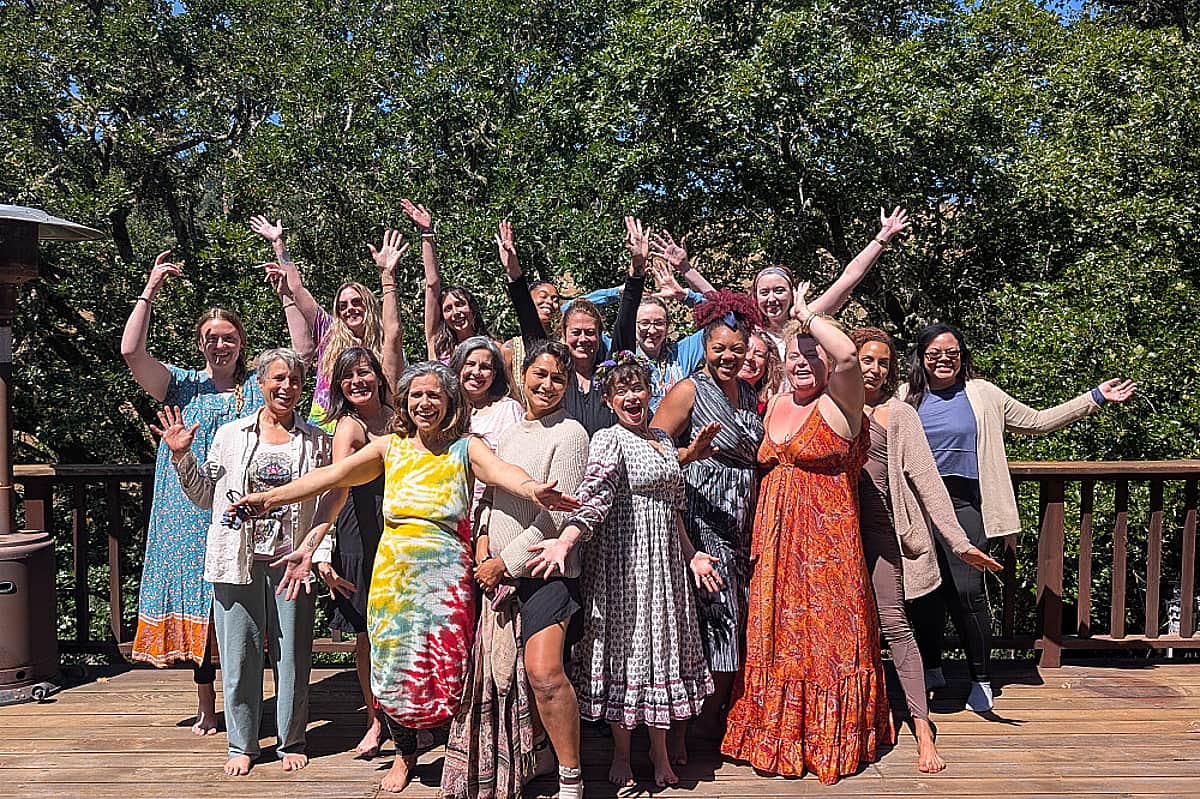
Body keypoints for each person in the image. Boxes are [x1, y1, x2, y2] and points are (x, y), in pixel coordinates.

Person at [229, 360, 579, 793]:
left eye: (434, 395)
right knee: (394, 669)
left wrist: (532, 490)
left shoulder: (466, 448)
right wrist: (270, 497)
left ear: (449, 401)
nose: (425, 403)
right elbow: (331, 476)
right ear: (405, 401)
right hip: (393, 579)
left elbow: (505, 474)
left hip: (448, 583)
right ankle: (404, 755)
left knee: (449, 670)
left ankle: (456, 753)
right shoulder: (389, 448)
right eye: (417, 395)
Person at [900, 322, 1136, 712]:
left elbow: (1038, 422)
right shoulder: (905, 397)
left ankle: (981, 676)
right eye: (935, 354)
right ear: (921, 358)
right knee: (924, 592)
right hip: (916, 507)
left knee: (967, 591)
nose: (944, 359)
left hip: (964, 505)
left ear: (962, 357)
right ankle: (932, 666)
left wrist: (1094, 397)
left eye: (952, 353)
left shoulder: (983, 394)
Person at [721, 286, 893, 785]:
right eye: (794, 355)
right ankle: (774, 735)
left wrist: (808, 315)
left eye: (810, 357)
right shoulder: (774, 402)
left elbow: (843, 353)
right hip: (775, 545)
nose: (802, 363)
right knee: (776, 639)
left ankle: (829, 738)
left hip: (828, 549)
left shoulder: (841, 402)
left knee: (829, 642)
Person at [529, 353, 723, 789]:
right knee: (627, 651)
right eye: (622, 391)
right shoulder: (608, 440)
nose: (632, 396)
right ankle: (621, 753)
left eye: (638, 388)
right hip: (622, 566)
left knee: (659, 652)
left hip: (665, 565)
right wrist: (566, 538)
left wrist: (691, 554)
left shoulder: (659, 437)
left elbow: (672, 507)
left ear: (649, 392)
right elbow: (594, 498)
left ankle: (657, 754)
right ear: (610, 399)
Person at [153, 348, 331, 776]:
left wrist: (317, 556)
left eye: (294, 380)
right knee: (239, 656)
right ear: (261, 383)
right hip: (237, 560)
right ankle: (242, 743)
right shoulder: (232, 435)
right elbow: (204, 496)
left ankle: (292, 739)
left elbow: (327, 505)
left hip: (292, 562)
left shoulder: (316, 440)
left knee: (293, 656)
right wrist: (181, 457)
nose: (286, 387)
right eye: (278, 379)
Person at [122, 250, 263, 736]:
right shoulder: (179, 385)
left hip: (239, 510)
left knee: (240, 608)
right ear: (200, 344)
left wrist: (285, 281)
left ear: (241, 342)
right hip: (183, 513)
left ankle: (246, 703)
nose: (219, 345)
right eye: (210, 339)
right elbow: (131, 353)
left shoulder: (257, 388)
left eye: (228, 338)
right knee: (201, 607)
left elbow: (304, 354)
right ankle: (207, 706)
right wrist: (150, 289)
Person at [442, 340, 590, 799]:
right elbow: (490, 497)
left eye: (558, 378)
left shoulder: (570, 434)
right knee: (510, 679)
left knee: (545, 673)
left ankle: (572, 777)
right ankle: (537, 754)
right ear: (524, 375)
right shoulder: (508, 432)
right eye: (539, 375)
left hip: (547, 572)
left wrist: (506, 562)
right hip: (498, 571)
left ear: (567, 385)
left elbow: (558, 516)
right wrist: (484, 546)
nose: (547, 385)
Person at [851, 327, 1002, 772]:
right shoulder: (831, 406)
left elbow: (928, 482)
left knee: (896, 625)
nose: (874, 369)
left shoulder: (899, 414)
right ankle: (857, 719)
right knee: (848, 632)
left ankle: (922, 730)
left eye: (882, 361)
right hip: (835, 534)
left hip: (883, 535)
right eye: (865, 360)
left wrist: (958, 542)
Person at [651, 290, 764, 739]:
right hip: (699, 516)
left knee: (736, 617)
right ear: (704, 345)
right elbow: (652, 450)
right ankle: (689, 730)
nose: (728, 357)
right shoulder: (690, 389)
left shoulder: (750, 391)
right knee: (715, 618)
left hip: (744, 518)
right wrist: (691, 452)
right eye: (719, 348)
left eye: (736, 349)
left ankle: (719, 722)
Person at [297, 346, 395, 759]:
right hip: (361, 532)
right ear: (339, 386)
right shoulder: (348, 428)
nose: (358, 382)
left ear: (378, 376)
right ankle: (374, 721)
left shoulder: (400, 415)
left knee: (402, 628)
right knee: (367, 636)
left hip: (400, 527)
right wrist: (314, 547)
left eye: (364, 373)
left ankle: (407, 718)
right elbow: (337, 486)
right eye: (348, 377)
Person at [650, 207, 910, 356]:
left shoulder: (808, 319)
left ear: (792, 293)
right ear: (755, 297)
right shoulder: (751, 326)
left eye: (779, 291)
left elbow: (849, 278)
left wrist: (882, 237)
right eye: (764, 292)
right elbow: (715, 297)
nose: (772, 298)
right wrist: (684, 267)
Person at [250, 217, 406, 431]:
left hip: (374, 429)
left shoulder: (386, 345)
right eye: (342, 306)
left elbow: (393, 329)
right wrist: (278, 244)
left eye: (357, 302)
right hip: (326, 428)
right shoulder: (329, 333)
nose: (350, 308)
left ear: (369, 305)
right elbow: (298, 289)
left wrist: (387, 275)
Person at [497, 218, 645, 435]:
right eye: (576, 332)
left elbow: (626, 319)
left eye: (590, 333)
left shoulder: (612, 369)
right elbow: (529, 321)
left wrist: (637, 269)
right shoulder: (556, 373)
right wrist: (514, 273)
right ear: (563, 335)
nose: (583, 339)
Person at [404, 200, 494, 361]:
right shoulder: (437, 344)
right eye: (448, 309)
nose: (455, 312)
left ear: (472, 308)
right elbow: (432, 283)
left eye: (460, 304)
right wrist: (426, 232)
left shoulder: (492, 348)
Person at [448, 336, 525, 525]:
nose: (476, 372)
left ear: (495, 373)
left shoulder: (508, 410)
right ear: (458, 368)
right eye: (470, 364)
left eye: (485, 367)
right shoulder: (445, 411)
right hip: (448, 516)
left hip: (493, 515)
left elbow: (516, 464)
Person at [738, 329, 785, 414]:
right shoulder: (711, 391)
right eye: (745, 349)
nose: (749, 357)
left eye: (759, 355)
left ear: (768, 366)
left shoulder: (768, 406)